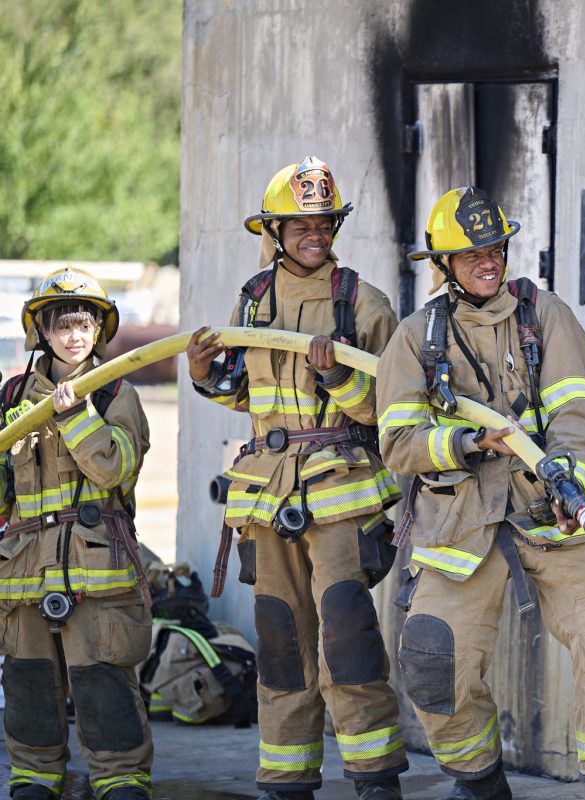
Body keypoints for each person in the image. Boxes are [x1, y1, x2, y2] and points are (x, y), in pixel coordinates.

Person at [376, 186, 585, 800]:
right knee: (430, 657)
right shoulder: (417, 338)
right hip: (461, 526)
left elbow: (577, 414)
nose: (488, 260)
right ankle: (479, 779)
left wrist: (571, 481)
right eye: (471, 253)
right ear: (443, 265)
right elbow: (398, 442)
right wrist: (471, 441)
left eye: (495, 246)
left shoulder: (546, 317)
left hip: (553, 515)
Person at [187, 157, 407, 800]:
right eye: (301, 224)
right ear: (275, 230)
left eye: (325, 223)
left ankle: (374, 776)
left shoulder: (363, 302)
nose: (315, 234)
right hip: (266, 495)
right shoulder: (253, 300)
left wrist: (339, 378)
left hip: (339, 494)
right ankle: (287, 778)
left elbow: (390, 408)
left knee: (347, 636)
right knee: (282, 643)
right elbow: (246, 392)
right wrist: (206, 376)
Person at [0, 268, 153, 800]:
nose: (73, 335)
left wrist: (75, 418)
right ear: (41, 331)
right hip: (24, 571)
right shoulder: (13, 396)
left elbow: (115, 472)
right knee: (28, 682)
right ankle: (35, 778)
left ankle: (121, 779)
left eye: (84, 323)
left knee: (103, 682)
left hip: (97, 571)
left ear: (99, 329)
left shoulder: (116, 393)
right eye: (61, 324)